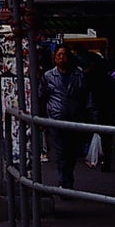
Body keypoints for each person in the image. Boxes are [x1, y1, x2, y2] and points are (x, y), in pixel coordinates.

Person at [40, 45, 88, 189]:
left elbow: (85, 97)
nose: (62, 58)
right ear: (55, 58)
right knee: (61, 152)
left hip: (74, 119)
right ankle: (64, 182)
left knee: (72, 152)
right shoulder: (48, 76)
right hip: (56, 120)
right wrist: (42, 118)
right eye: (59, 55)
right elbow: (42, 97)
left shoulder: (78, 75)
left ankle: (68, 179)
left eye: (64, 55)